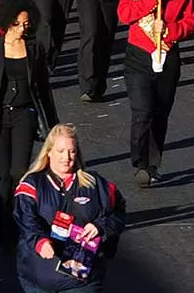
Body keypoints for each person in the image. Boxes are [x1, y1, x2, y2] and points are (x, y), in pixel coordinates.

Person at [0, 0, 58, 251]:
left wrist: (54, 126)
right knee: (4, 176)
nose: (22, 29)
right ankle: (5, 230)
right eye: (17, 24)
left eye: (26, 24)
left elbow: (43, 89)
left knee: (20, 173)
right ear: (7, 22)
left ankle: (22, 223)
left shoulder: (35, 48)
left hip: (24, 115)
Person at [117, 0, 194, 187]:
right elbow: (125, 15)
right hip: (139, 57)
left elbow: (192, 21)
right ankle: (140, 163)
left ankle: (153, 163)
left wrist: (170, 30)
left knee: (160, 113)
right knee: (142, 112)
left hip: (168, 55)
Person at [13, 124, 125, 293]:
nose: (66, 157)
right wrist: (39, 241)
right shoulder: (32, 185)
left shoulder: (96, 185)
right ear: (48, 152)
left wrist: (100, 226)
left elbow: (119, 209)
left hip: (83, 279)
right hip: (39, 274)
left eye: (71, 151)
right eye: (60, 151)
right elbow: (25, 218)